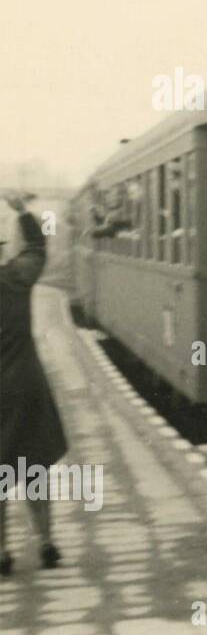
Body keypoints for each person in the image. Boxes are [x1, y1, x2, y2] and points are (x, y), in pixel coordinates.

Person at [1, 190, 68, 575]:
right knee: (33, 466)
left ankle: (3, 552)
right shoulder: (15, 277)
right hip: (24, 384)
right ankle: (45, 542)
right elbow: (40, 246)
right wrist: (24, 212)